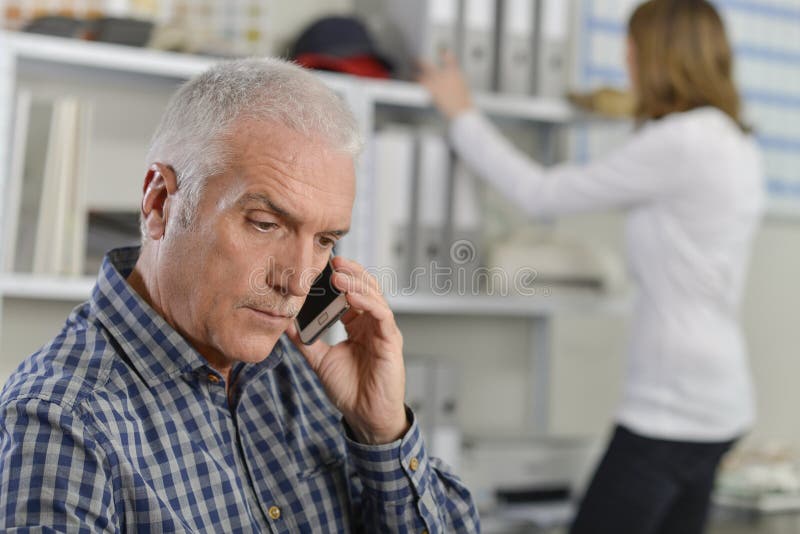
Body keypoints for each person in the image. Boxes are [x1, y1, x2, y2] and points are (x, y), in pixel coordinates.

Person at [0, 58, 479, 533]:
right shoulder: (60, 423)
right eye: (266, 224)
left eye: (325, 241)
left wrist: (382, 432)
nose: (297, 282)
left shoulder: (308, 370)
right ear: (159, 204)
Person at [419, 1, 763, 533]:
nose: (626, 59)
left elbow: (541, 194)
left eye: (632, 49)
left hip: (671, 405)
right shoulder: (733, 140)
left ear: (658, 57)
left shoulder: (676, 142)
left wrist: (462, 114)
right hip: (722, 400)